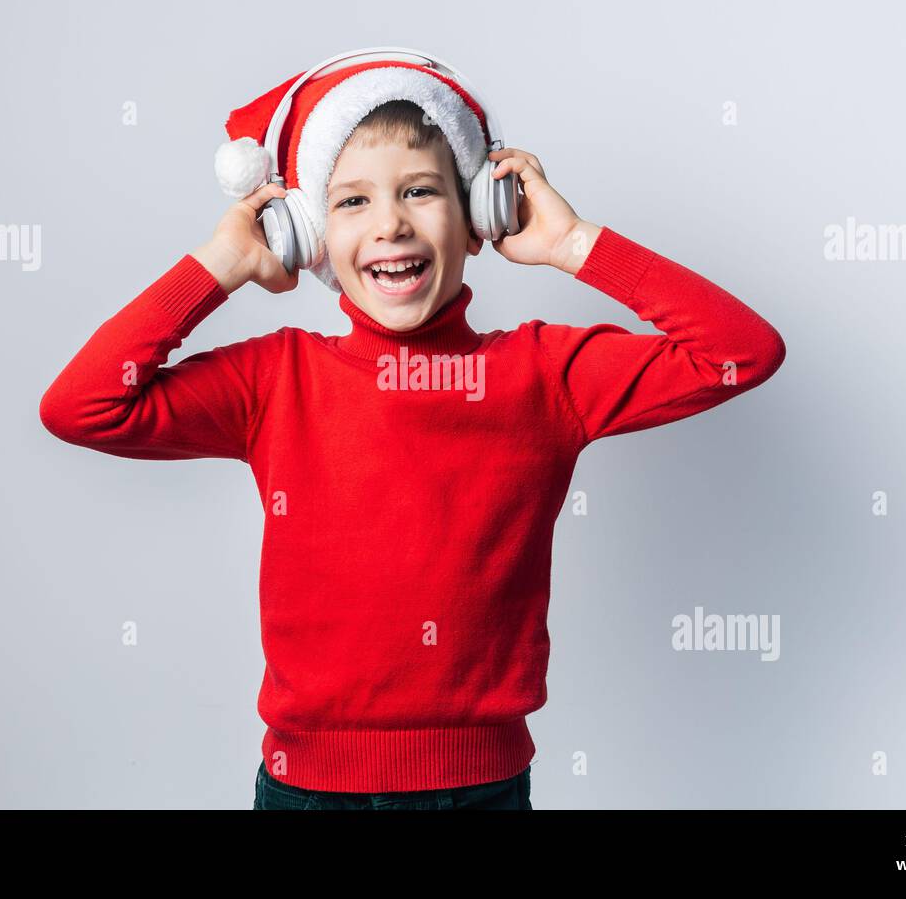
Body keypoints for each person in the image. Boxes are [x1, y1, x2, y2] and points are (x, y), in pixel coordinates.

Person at [38, 56, 786, 810]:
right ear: (308, 237)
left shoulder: (544, 374)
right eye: (352, 201)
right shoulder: (275, 381)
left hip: (482, 790)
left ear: (480, 221)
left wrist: (572, 243)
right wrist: (221, 264)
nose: (390, 222)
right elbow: (84, 406)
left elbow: (739, 352)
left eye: (421, 192)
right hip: (308, 793)